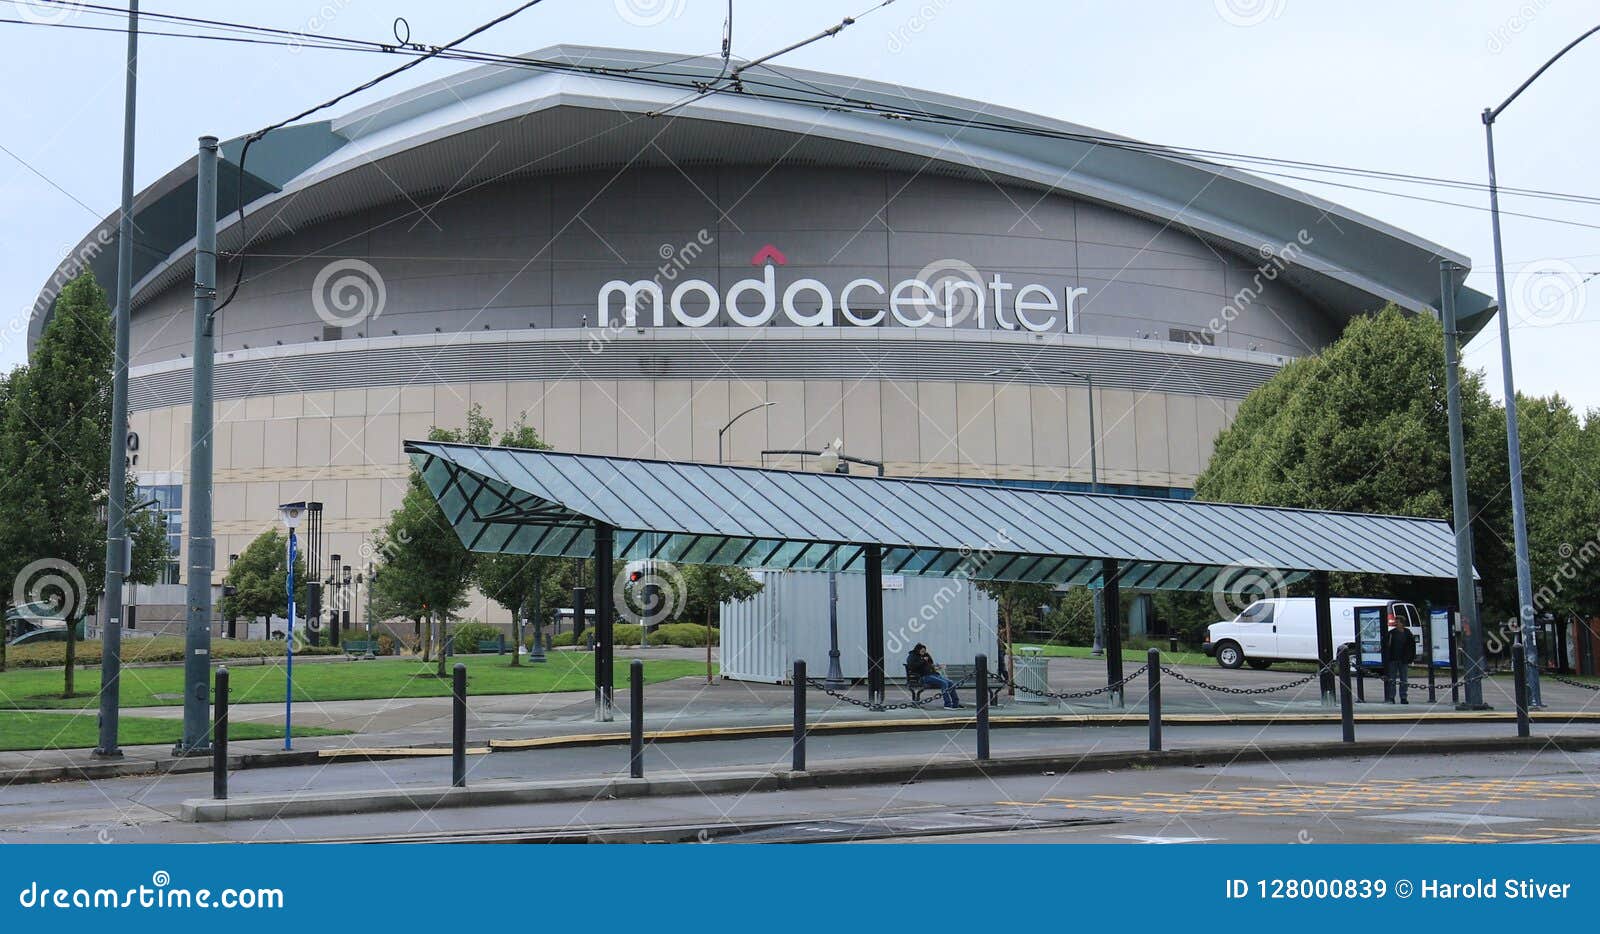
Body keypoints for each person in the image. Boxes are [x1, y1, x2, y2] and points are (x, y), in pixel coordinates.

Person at [906, 643, 963, 709]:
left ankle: (955, 704)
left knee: (950, 683)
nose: (924, 653)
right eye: (922, 651)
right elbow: (913, 666)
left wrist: (935, 665)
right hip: (924, 677)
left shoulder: (925, 656)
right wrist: (923, 660)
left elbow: (930, 664)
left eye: (924, 651)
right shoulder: (912, 656)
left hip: (934, 674)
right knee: (944, 683)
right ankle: (947, 704)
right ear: (918, 650)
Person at [1383, 614, 1417, 704]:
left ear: (1402, 623)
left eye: (1397, 622)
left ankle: (1403, 697)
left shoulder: (1408, 633)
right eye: (1395, 621)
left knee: (1404, 679)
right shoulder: (1391, 633)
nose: (1395, 623)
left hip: (1404, 659)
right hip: (1393, 659)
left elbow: (1412, 646)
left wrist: (1411, 658)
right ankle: (1391, 697)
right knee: (1392, 679)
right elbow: (1386, 646)